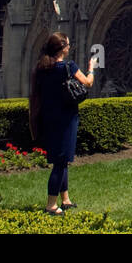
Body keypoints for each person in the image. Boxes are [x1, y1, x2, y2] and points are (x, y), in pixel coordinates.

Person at [28, 32, 94, 215]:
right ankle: (51, 205)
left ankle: (65, 199)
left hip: (49, 118)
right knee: (60, 163)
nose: (70, 47)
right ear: (63, 48)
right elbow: (88, 83)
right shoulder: (68, 66)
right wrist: (92, 68)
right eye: (68, 45)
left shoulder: (42, 68)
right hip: (66, 119)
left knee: (62, 160)